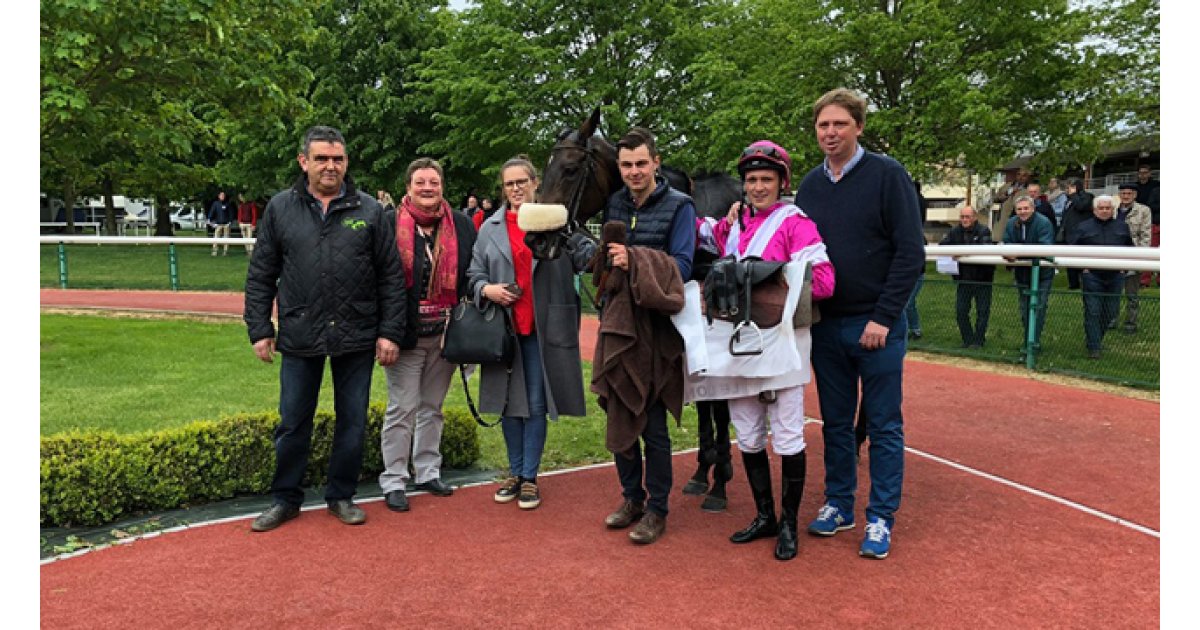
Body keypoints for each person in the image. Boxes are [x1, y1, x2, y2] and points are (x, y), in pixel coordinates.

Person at [243, 125, 406, 532]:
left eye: (337, 159)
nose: (330, 166)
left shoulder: (370, 210)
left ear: (346, 162)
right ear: (304, 162)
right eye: (321, 159)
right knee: (293, 421)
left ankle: (341, 495)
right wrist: (260, 327)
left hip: (357, 333)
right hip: (300, 333)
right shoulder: (280, 209)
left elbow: (390, 276)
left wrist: (390, 331)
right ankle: (285, 499)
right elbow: (261, 274)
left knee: (352, 420)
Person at [795, 88, 924, 560]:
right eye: (823, 126)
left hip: (877, 328)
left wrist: (883, 318)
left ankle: (880, 518)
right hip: (828, 327)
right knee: (834, 424)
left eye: (839, 125)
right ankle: (839, 504)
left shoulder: (888, 176)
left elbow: (911, 253)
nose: (830, 133)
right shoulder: (809, 186)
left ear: (859, 127)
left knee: (885, 425)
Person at [708, 140, 835, 561]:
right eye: (751, 180)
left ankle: (788, 524)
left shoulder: (796, 224)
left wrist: (768, 285)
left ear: (782, 182)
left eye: (766, 179)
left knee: (787, 435)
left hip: (782, 345)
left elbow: (824, 282)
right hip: (738, 347)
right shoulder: (734, 226)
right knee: (746, 434)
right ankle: (764, 515)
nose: (758, 187)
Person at [467, 157, 596, 510]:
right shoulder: (489, 227)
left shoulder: (557, 219)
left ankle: (529, 477)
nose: (516, 188)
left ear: (536, 182)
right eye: (509, 184)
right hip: (503, 330)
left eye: (522, 181)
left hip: (543, 327)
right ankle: (515, 470)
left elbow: (585, 258)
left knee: (537, 402)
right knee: (509, 404)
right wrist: (487, 290)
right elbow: (473, 273)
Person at [598, 126, 695, 545]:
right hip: (618, 325)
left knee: (652, 424)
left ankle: (657, 508)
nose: (634, 172)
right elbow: (607, 264)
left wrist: (634, 260)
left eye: (641, 163)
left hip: (657, 332)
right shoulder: (614, 203)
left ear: (656, 162)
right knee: (620, 411)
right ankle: (631, 498)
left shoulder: (680, 207)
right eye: (626, 165)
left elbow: (684, 266)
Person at [379, 158, 477, 512]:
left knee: (432, 408)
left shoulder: (462, 226)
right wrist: (384, 332)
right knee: (402, 409)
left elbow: (471, 273)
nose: (427, 188)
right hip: (404, 336)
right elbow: (380, 280)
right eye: (420, 182)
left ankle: (427, 469)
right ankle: (393, 479)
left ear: (442, 186)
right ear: (408, 186)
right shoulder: (389, 224)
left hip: (445, 336)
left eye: (433, 182)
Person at [1069, 195, 1132, 359]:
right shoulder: (1083, 227)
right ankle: (1094, 347)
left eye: (1108, 208)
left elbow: (1130, 249)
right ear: (1094, 210)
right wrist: (1082, 269)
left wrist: (1124, 269)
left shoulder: (1122, 227)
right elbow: (1072, 251)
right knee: (1093, 311)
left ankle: (1096, 339)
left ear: (1112, 209)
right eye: (1101, 208)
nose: (1104, 211)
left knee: (1110, 312)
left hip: (1115, 276)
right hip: (1092, 276)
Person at [1003, 195, 1055, 357]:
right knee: (1025, 311)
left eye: (1026, 208)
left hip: (1042, 273)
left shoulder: (1043, 223)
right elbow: (1007, 243)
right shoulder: (1012, 223)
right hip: (1022, 273)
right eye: (1020, 209)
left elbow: (1044, 248)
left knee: (1038, 309)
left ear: (1033, 208)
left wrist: (1017, 255)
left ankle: (1033, 344)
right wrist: (1011, 254)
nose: (1023, 212)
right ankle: (1028, 341)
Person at [939, 206, 995, 348]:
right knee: (961, 311)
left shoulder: (983, 230)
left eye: (967, 217)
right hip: (963, 279)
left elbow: (984, 248)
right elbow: (942, 246)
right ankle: (968, 339)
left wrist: (961, 253)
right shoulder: (954, 231)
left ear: (974, 217)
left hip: (983, 278)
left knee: (982, 312)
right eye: (962, 217)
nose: (964, 220)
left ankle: (979, 341)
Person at [1113, 184, 1152, 334]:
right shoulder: (1113, 209)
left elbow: (1145, 235)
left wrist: (1141, 257)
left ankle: (1131, 321)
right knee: (1113, 290)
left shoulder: (1143, 211)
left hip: (1133, 253)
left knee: (1131, 292)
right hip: (1115, 254)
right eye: (1123, 193)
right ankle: (1112, 319)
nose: (1126, 196)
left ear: (1134, 195)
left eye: (1129, 193)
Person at [904, 179, 928, 340]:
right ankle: (911, 329)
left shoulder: (914, 199)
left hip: (917, 272)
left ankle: (915, 329)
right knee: (905, 304)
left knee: (908, 303)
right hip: (906, 272)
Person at [1061, 178, 1095, 290]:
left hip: (1082, 235)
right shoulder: (1068, 200)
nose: (1068, 190)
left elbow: (1081, 206)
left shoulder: (1088, 196)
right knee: (1070, 262)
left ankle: (1085, 282)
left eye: (1071, 187)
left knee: (1082, 261)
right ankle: (1073, 284)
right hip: (1069, 234)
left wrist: (1075, 195)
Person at [209, 191, 233, 256]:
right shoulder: (215, 204)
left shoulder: (227, 204)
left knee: (226, 238)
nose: (223, 196)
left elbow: (231, 213)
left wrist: (230, 222)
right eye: (221, 195)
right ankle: (214, 251)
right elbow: (212, 212)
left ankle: (225, 252)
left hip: (226, 224)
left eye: (223, 195)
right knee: (216, 238)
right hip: (218, 224)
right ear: (219, 196)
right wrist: (210, 220)